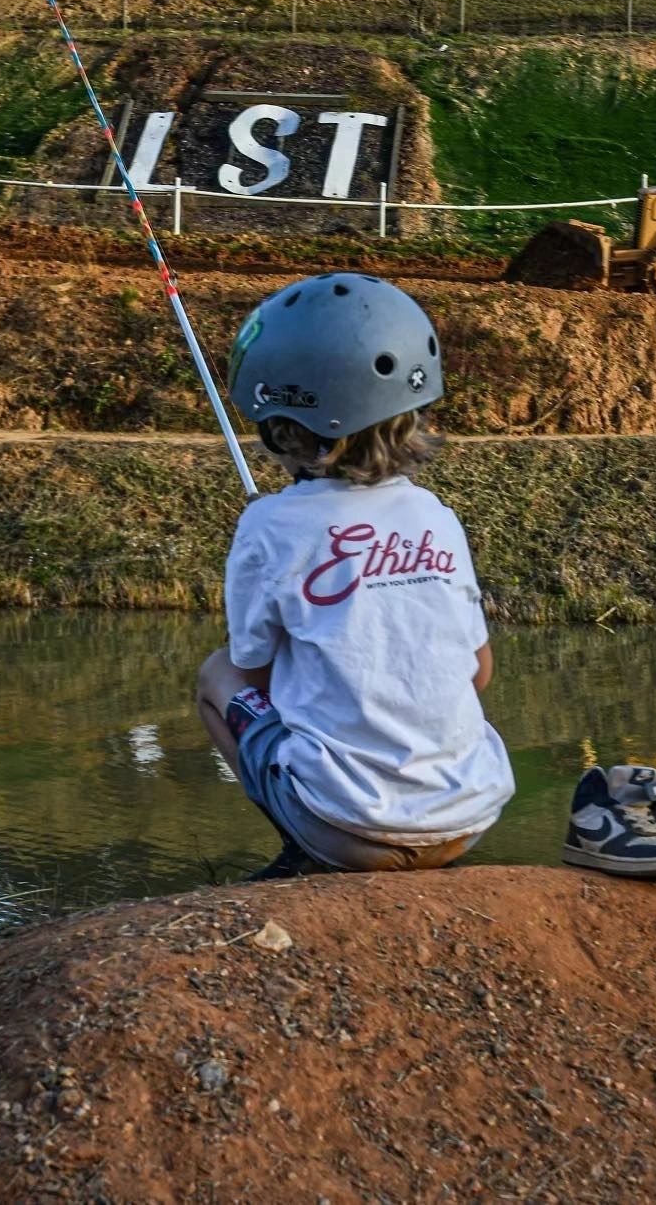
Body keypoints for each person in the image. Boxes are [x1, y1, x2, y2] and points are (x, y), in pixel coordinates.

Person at [196, 272, 515, 878]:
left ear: (281, 423)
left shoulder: (268, 525)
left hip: (346, 833)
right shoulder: (435, 516)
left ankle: (304, 845)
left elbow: (253, 670)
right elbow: (479, 672)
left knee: (218, 675)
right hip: (468, 821)